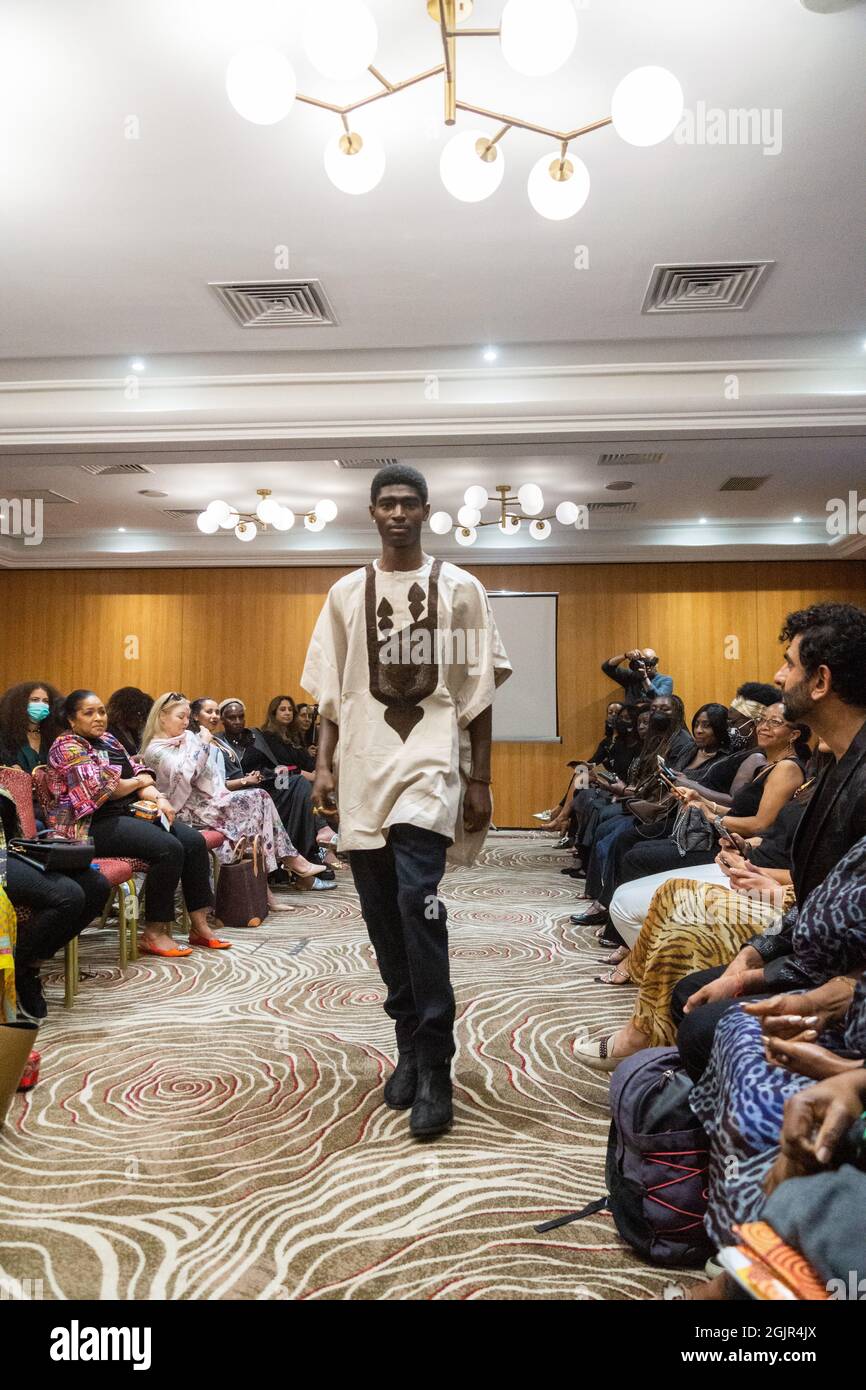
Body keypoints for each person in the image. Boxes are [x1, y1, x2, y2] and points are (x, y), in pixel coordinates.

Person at [302, 462, 511, 1139]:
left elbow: (477, 689)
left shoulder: (459, 589)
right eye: (386, 503)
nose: (397, 513)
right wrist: (323, 767)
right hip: (362, 764)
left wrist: (480, 778)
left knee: (418, 905)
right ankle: (407, 1044)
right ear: (372, 512)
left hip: (431, 761)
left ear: (426, 511)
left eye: (409, 503)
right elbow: (331, 693)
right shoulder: (344, 593)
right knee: (380, 913)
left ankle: (437, 1062)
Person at [673, 603, 866, 1079]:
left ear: (820, 682)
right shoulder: (839, 765)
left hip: (843, 986)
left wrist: (762, 975)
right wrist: (757, 951)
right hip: (809, 953)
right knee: (691, 994)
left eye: (789, 663)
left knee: (701, 1023)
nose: (779, 677)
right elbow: (820, 896)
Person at [45, 690, 225, 956]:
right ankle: (154, 932)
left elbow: (140, 772)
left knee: (193, 841)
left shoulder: (109, 740)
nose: (98, 718)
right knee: (168, 848)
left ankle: (199, 927)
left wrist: (160, 798)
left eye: (101, 711)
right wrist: (136, 784)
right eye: (89, 713)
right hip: (89, 825)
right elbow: (102, 789)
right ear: (71, 720)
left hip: (126, 813)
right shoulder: (66, 746)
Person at [140, 693, 329, 900]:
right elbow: (189, 774)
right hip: (184, 809)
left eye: (187, 717)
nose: (186, 722)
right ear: (162, 717)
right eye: (181, 717)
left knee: (262, 800)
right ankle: (290, 863)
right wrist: (203, 745)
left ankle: (276, 878)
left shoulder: (192, 739)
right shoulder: (155, 750)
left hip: (209, 802)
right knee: (258, 802)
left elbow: (211, 776)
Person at [0, 783, 111, 1020]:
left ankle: (30, 963)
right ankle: (21, 969)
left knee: (96, 886)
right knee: (68, 896)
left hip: (11, 850)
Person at [195, 697, 338, 877]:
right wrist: (248, 780)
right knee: (299, 787)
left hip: (269, 784)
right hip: (243, 792)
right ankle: (310, 856)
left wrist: (281, 776)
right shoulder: (219, 742)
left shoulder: (254, 735)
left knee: (298, 785)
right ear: (224, 720)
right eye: (232, 717)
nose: (238, 721)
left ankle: (314, 848)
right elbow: (223, 779)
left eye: (241, 716)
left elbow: (275, 765)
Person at [0, 680, 62, 772]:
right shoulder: (5, 735)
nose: (41, 704)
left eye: (45, 701)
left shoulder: (54, 737)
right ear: (19, 703)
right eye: (35, 700)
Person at [601, 648, 673, 705]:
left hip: (653, 720)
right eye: (644, 662)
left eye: (650, 662)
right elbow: (607, 667)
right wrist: (625, 655)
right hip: (632, 720)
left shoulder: (666, 680)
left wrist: (644, 677)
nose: (646, 666)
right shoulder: (632, 676)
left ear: (656, 664)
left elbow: (659, 699)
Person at [106, 687, 153, 756]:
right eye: (137, 713)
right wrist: (131, 760)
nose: (140, 719)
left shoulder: (132, 729)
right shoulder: (108, 730)